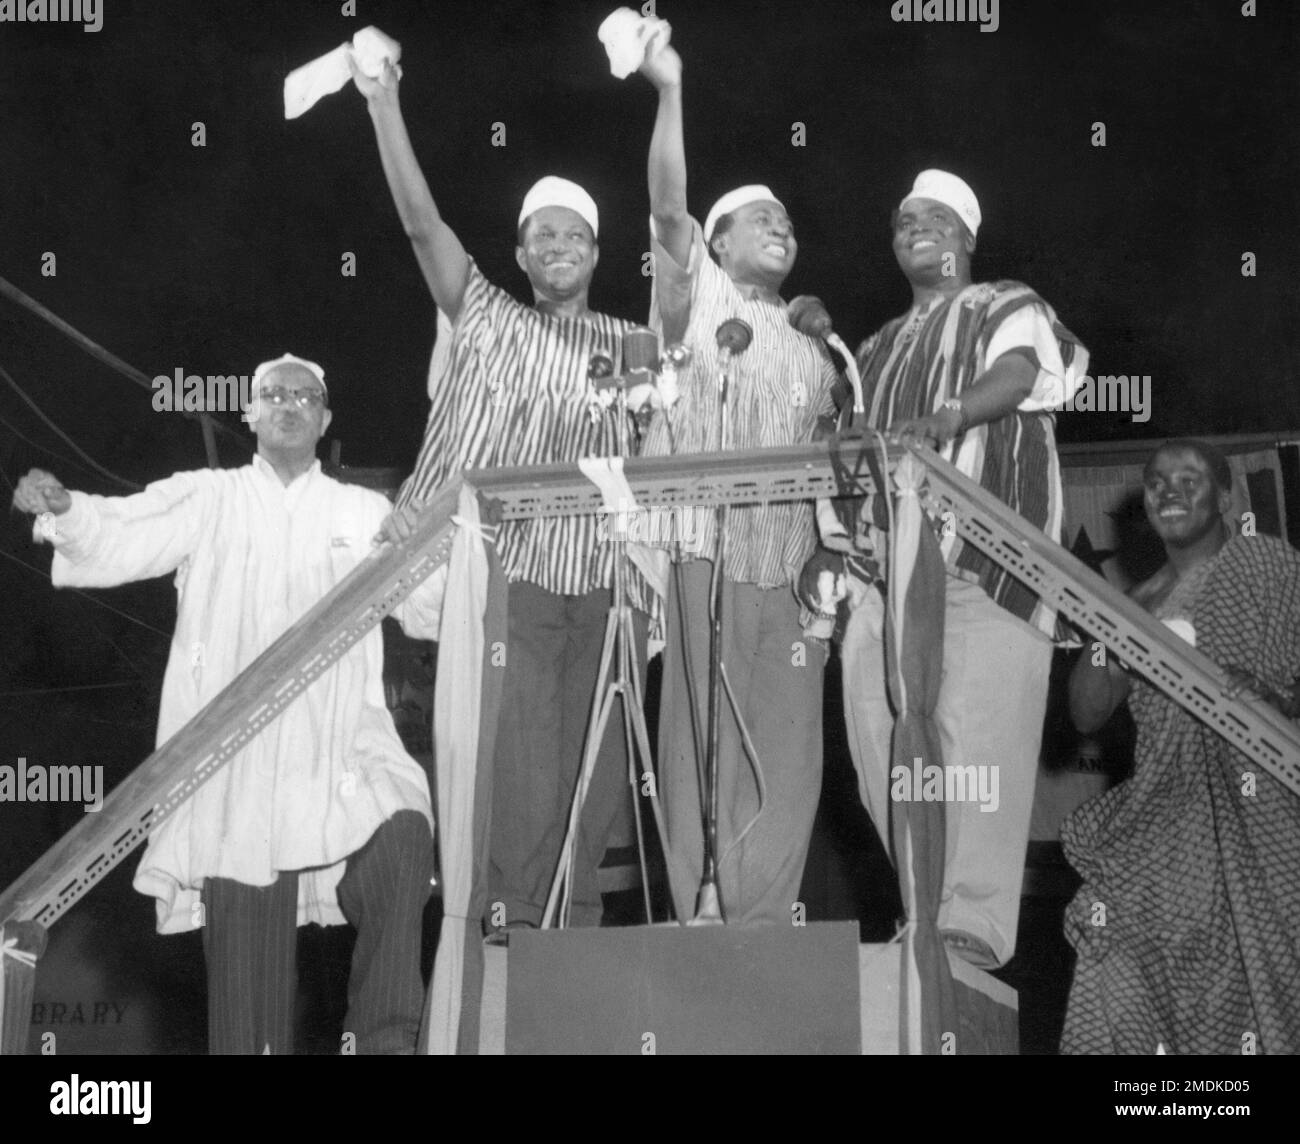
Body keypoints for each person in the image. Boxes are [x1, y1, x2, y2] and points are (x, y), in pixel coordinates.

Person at [12, 354, 445, 1054]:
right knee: (248, 1027)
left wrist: (428, 543)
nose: (289, 405)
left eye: (306, 397)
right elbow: (124, 530)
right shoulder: (209, 497)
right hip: (235, 769)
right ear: (250, 413)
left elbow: (434, 608)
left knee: (402, 832)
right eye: (273, 394)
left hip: (339, 750)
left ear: (324, 418)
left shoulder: (364, 511)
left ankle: (385, 1039)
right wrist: (67, 510)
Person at [350, 53, 652, 938]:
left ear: (597, 253)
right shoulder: (485, 314)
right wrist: (385, 102)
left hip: (606, 584)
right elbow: (418, 222)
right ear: (520, 253)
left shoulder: (633, 343)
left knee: (593, 778)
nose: (559, 249)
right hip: (513, 580)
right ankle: (512, 935)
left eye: (576, 236)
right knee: (518, 773)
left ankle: (577, 938)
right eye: (542, 236)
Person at [812, 170, 1089, 967]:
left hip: (989, 550)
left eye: (934, 219)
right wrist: (829, 549)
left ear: (966, 237)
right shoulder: (870, 349)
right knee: (879, 737)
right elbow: (839, 455)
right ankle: (920, 913)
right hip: (886, 568)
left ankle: (971, 924)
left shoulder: (1007, 301)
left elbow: (1023, 373)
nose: (914, 230)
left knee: (982, 744)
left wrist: (952, 413)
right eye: (902, 222)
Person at [636, 37, 839, 926]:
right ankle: (699, 909)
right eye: (760, 217)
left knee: (792, 749)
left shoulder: (818, 347)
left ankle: (763, 918)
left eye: (787, 218)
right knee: (700, 743)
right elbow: (667, 206)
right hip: (704, 552)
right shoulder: (700, 302)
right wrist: (671, 89)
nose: (780, 225)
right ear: (717, 243)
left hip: (793, 571)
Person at [1061, 439, 1300, 1054]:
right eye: (1157, 481)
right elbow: (1087, 710)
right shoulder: (1134, 605)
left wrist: (1276, 697)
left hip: (1263, 808)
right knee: (1105, 930)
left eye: (1189, 479)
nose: (1170, 490)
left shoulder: (1268, 565)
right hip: (1168, 817)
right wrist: (1104, 625)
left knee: (1266, 976)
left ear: (1225, 497)